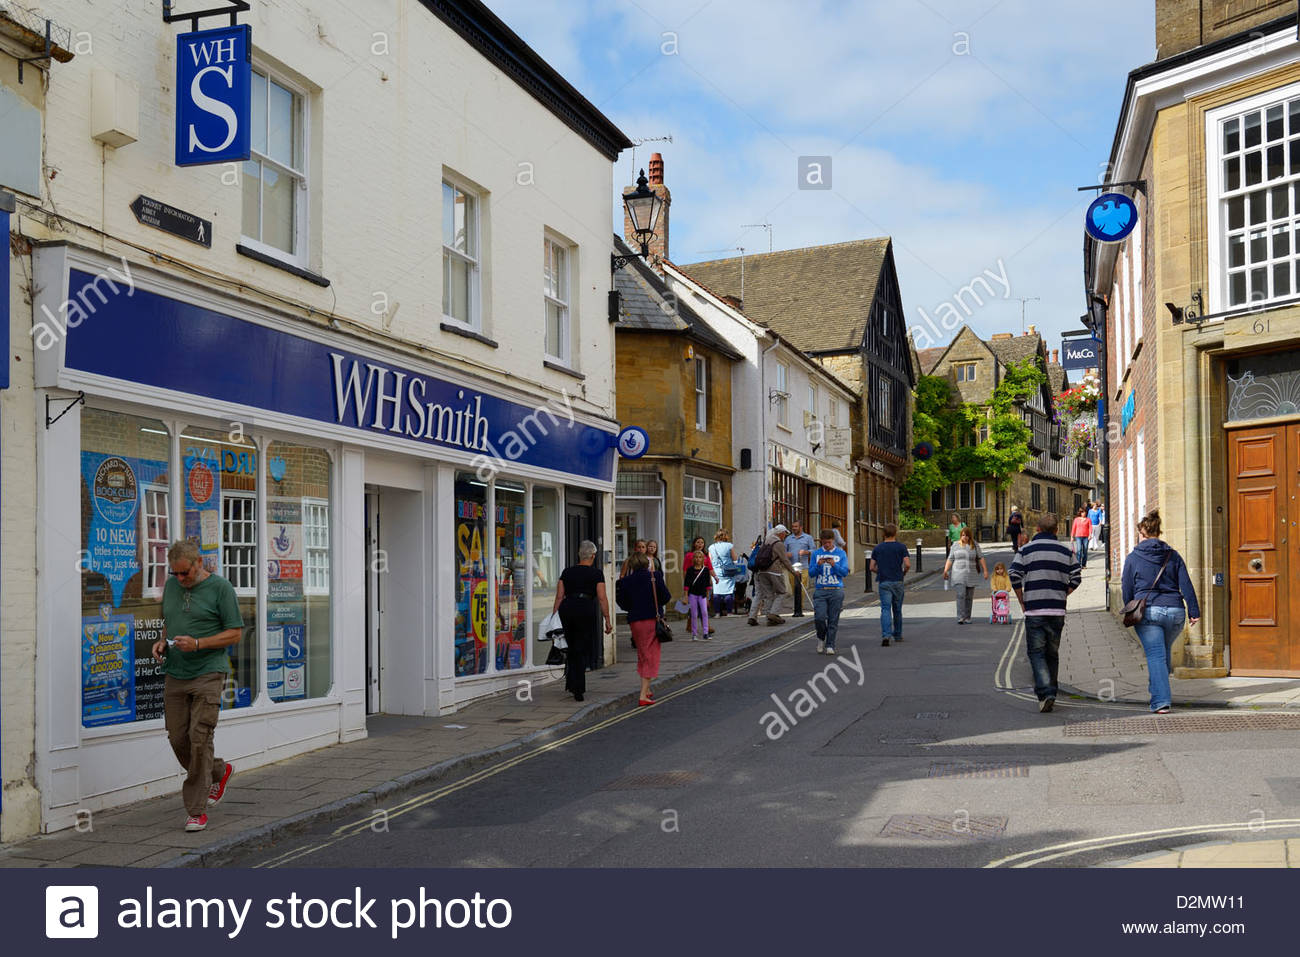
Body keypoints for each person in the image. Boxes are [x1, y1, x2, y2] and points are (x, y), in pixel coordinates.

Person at [150, 540, 242, 832]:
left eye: (185, 574)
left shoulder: (221, 589)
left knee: (199, 737)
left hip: (208, 672)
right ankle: (218, 770)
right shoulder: (173, 587)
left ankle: (196, 811)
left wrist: (200, 643)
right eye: (175, 574)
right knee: (178, 738)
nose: (180, 580)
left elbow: (235, 633)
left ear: (199, 563)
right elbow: (169, 619)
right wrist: (164, 642)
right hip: (176, 672)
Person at [1121, 510, 1201, 714]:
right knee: (1162, 652)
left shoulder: (1133, 557)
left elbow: (1127, 588)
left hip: (1148, 612)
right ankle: (1156, 687)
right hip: (1175, 612)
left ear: (1143, 532)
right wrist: (1194, 610)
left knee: (1156, 655)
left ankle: (1161, 701)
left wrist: (1130, 608)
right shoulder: (1172, 555)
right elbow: (1186, 583)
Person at [1009, 514, 1080, 713]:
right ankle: (1052, 693)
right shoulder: (1065, 551)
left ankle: (1045, 692)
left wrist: (1022, 599)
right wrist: (1063, 593)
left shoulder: (1025, 550)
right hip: (1057, 610)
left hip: (1035, 610)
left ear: (1038, 530)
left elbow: (1014, 574)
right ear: (1056, 530)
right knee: (1052, 653)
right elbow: (1076, 576)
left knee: (1036, 653)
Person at [552, 540, 613, 703]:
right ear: (593, 555)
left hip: (567, 608)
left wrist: (554, 619)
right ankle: (578, 688)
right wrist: (607, 619)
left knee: (570, 646)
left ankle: (571, 683)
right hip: (585, 609)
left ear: (580, 554)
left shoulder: (567, 572)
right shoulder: (596, 574)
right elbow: (602, 597)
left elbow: (559, 596)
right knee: (581, 648)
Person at [621, 553, 671, 706]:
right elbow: (666, 597)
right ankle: (643, 695)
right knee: (651, 655)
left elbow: (622, 603)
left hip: (635, 621)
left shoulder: (626, 581)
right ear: (646, 563)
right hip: (651, 619)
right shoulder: (654, 576)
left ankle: (647, 689)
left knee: (643, 653)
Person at [870, 523, 911, 647]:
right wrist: (903, 572)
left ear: (883, 534)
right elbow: (907, 564)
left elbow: (871, 567)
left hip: (884, 582)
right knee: (897, 609)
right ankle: (897, 634)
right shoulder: (901, 547)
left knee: (885, 609)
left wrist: (880, 571)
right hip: (898, 581)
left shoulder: (877, 548)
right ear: (895, 533)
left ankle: (886, 635)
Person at [811, 529, 850, 655]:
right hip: (820, 590)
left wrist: (834, 565)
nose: (826, 545)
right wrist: (818, 565)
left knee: (833, 619)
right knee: (819, 618)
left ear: (833, 540)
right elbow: (811, 573)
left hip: (836, 590)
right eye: (824, 543)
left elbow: (844, 572)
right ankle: (821, 638)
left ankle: (830, 645)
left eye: (828, 542)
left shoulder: (841, 553)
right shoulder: (816, 553)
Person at [749, 524, 795, 626]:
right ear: (781, 533)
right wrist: (793, 572)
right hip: (774, 572)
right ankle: (773, 614)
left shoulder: (766, 541)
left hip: (761, 571)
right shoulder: (778, 543)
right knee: (782, 592)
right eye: (785, 534)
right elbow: (785, 560)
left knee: (768, 595)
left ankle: (768, 618)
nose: (785, 536)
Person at [943, 526, 988, 624]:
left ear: (970, 536)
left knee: (969, 596)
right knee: (960, 594)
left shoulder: (974, 545)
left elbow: (981, 557)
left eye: (967, 535)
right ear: (960, 536)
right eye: (963, 535)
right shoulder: (955, 545)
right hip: (958, 574)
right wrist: (945, 570)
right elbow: (950, 559)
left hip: (971, 573)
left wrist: (985, 570)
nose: (965, 537)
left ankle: (967, 617)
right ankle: (960, 617)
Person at [783, 521, 815, 618]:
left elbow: (814, 550)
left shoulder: (808, 538)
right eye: (793, 527)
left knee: (801, 587)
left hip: (803, 567)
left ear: (801, 527)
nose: (794, 528)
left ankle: (799, 608)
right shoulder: (788, 539)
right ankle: (797, 606)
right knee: (794, 588)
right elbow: (783, 551)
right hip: (791, 567)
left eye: (796, 526)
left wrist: (806, 552)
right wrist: (786, 554)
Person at [683, 549, 717, 640]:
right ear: (693, 559)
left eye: (700, 557)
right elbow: (686, 584)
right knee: (694, 614)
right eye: (696, 557)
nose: (698, 559)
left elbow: (707, 585)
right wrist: (686, 595)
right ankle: (694, 634)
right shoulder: (690, 570)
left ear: (703, 559)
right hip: (692, 595)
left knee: (705, 613)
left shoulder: (705, 570)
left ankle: (705, 633)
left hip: (702, 595)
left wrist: (707, 597)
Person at [707, 530, 739, 617]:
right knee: (728, 591)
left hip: (716, 572)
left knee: (717, 591)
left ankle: (717, 613)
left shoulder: (711, 547)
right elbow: (735, 559)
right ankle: (729, 612)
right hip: (728, 571)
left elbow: (710, 561)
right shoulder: (729, 546)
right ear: (726, 537)